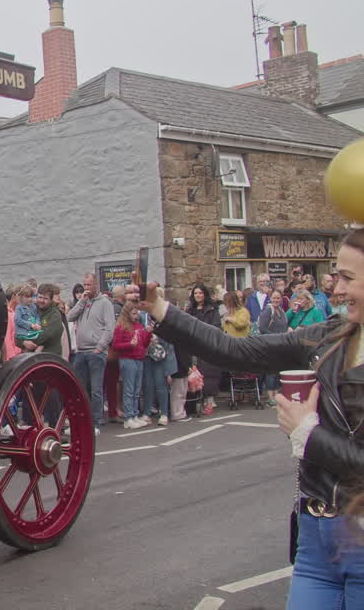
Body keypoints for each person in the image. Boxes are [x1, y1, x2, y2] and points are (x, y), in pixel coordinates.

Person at [143, 228, 364, 609]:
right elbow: (238, 350)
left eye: (347, 277)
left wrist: (307, 434)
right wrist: (160, 309)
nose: (335, 288)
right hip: (315, 542)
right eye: (335, 275)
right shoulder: (329, 337)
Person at [67, 273, 115, 434]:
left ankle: (96, 421)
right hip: (81, 351)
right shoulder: (83, 302)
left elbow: (109, 328)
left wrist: (100, 347)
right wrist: (81, 301)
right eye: (84, 285)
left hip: (96, 351)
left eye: (89, 285)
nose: (86, 288)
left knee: (95, 389)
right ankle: (81, 420)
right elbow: (70, 317)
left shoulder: (105, 303)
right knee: (80, 388)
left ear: (96, 285)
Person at [112, 302, 151, 429]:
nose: (136, 315)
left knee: (136, 390)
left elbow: (144, 344)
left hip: (139, 359)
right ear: (127, 314)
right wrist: (130, 344)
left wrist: (149, 333)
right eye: (133, 313)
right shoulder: (121, 327)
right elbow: (116, 345)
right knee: (129, 390)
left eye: (137, 313)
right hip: (127, 360)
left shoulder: (139, 325)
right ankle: (128, 417)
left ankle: (134, 415)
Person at [186, 284, 223, 415]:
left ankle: (209, 400)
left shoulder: (212, 309)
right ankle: (196, 401)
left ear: (205, 294)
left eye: (200, 293)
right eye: (196, 293)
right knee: (195, 373)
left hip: (207, 345)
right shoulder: (190, 310)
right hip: (193, 346)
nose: (198, 296)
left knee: (208, 373)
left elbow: (216, 327)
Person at [20, 283, 67, 357]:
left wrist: (24, 340)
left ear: (51, 300)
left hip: (50, 357)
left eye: (45, 298)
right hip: (30, 357)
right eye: (40, 297)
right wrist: (22, 342)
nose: (41, 301)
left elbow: (45, 336)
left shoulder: (55, 315)